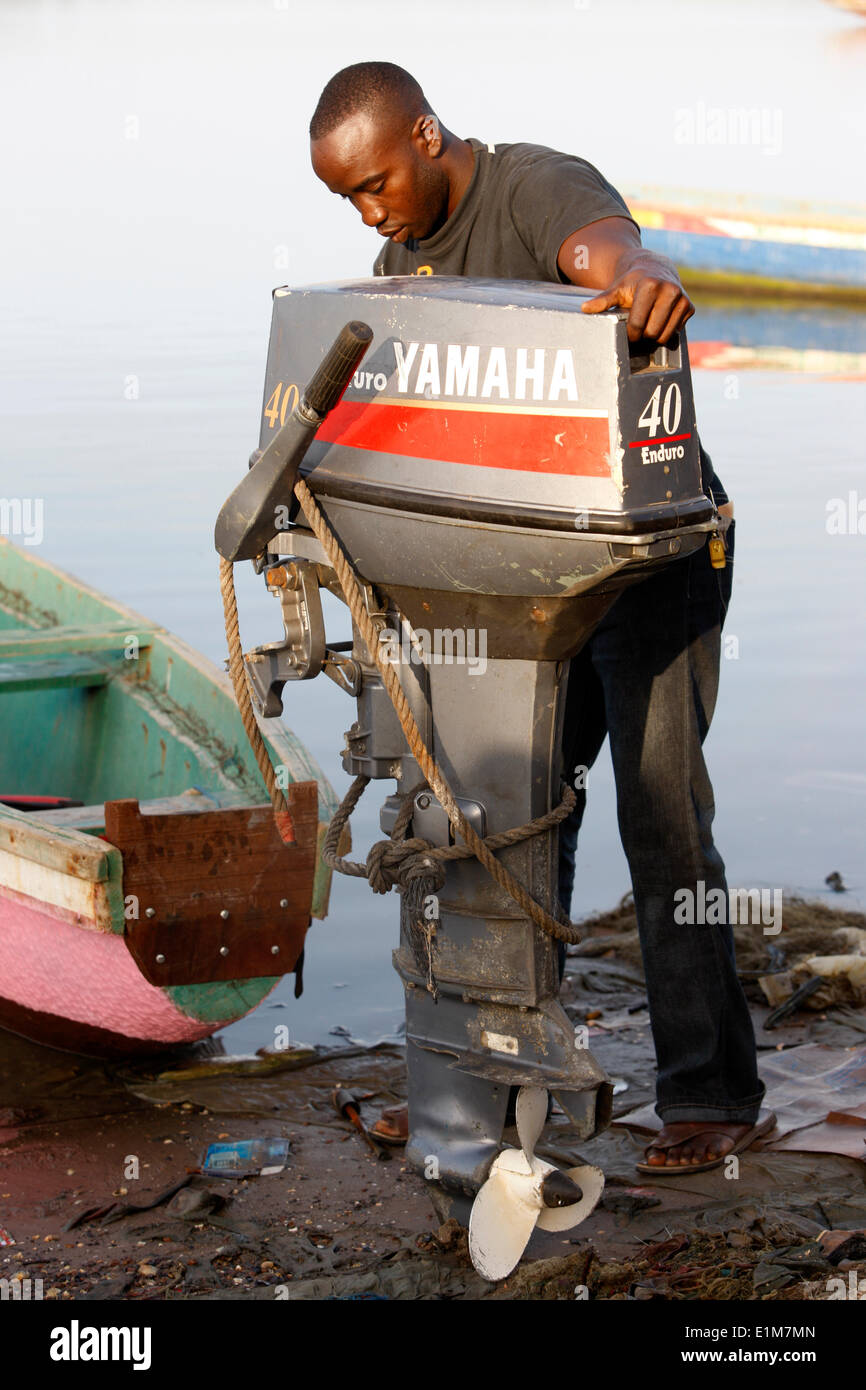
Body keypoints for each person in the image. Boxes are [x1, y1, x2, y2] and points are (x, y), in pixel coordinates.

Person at [308, 61, 773, 1172]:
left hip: (654, 562)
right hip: (526, 588)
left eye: (376, 184)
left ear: (425, 136)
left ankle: (711, 1095)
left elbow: (603, 248)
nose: (371, 216)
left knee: (661, 822)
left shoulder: (531, 189)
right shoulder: (397, 268)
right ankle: (506, 1064)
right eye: (349, 202)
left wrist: (643, 273)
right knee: (513, 814)